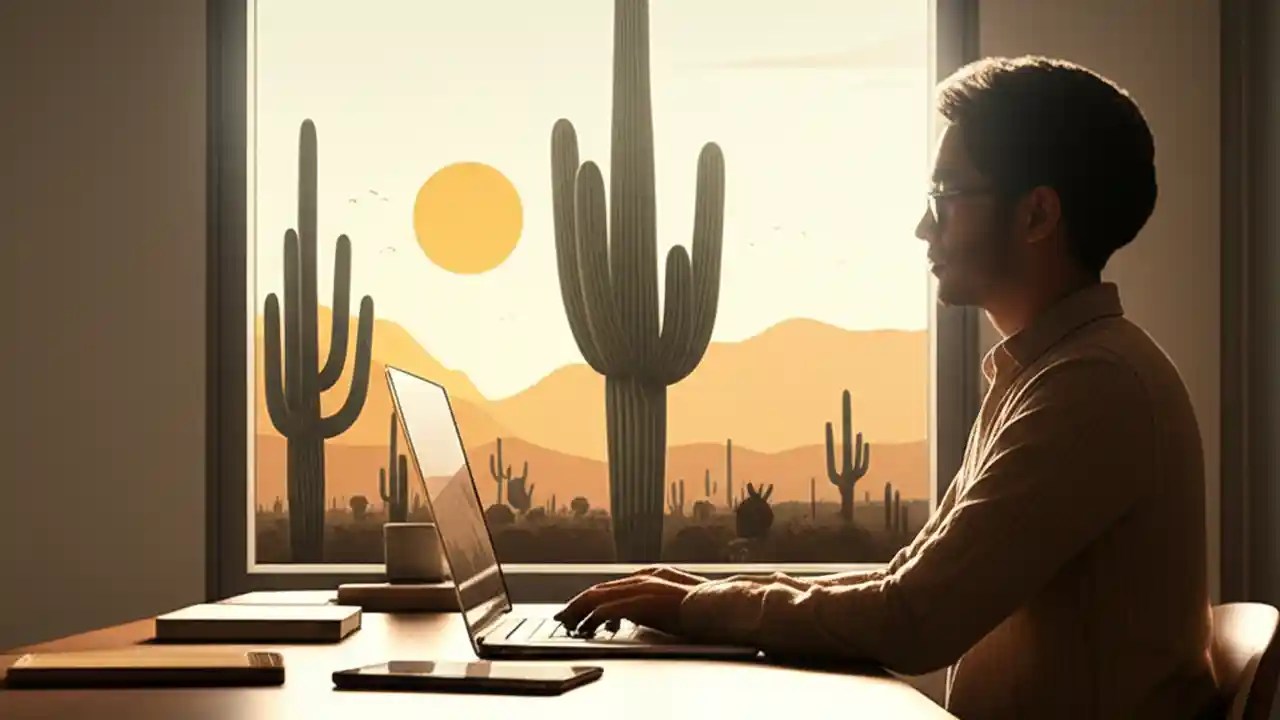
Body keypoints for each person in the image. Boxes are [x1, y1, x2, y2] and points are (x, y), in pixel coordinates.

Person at [554, 55, 1220, 719]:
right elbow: (910, 580)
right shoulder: (1047, 373)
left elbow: (912, 617)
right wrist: (708, 593)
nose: (924, 226)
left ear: (1037, 214)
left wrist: (701, 606)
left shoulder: (1092, 387)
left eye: (945, 197)